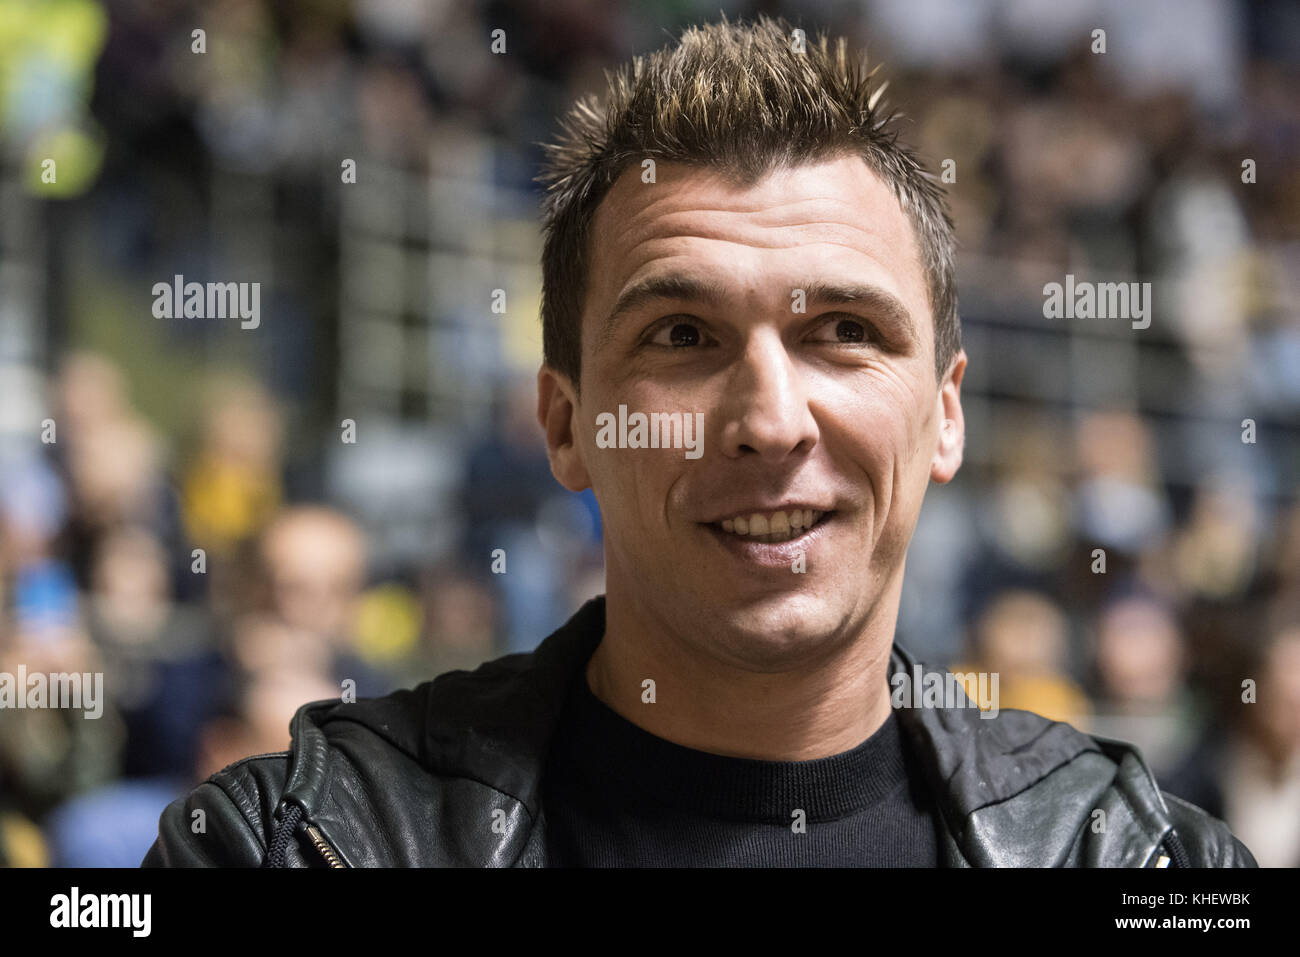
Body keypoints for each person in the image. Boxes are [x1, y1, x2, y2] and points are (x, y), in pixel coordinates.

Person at [145, 15, 1255, 868]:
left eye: (845, 332)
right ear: (565, 426)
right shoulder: (300, 843)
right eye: (683, 336)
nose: (770, 421)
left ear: (946, 414)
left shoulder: (1140, 862)